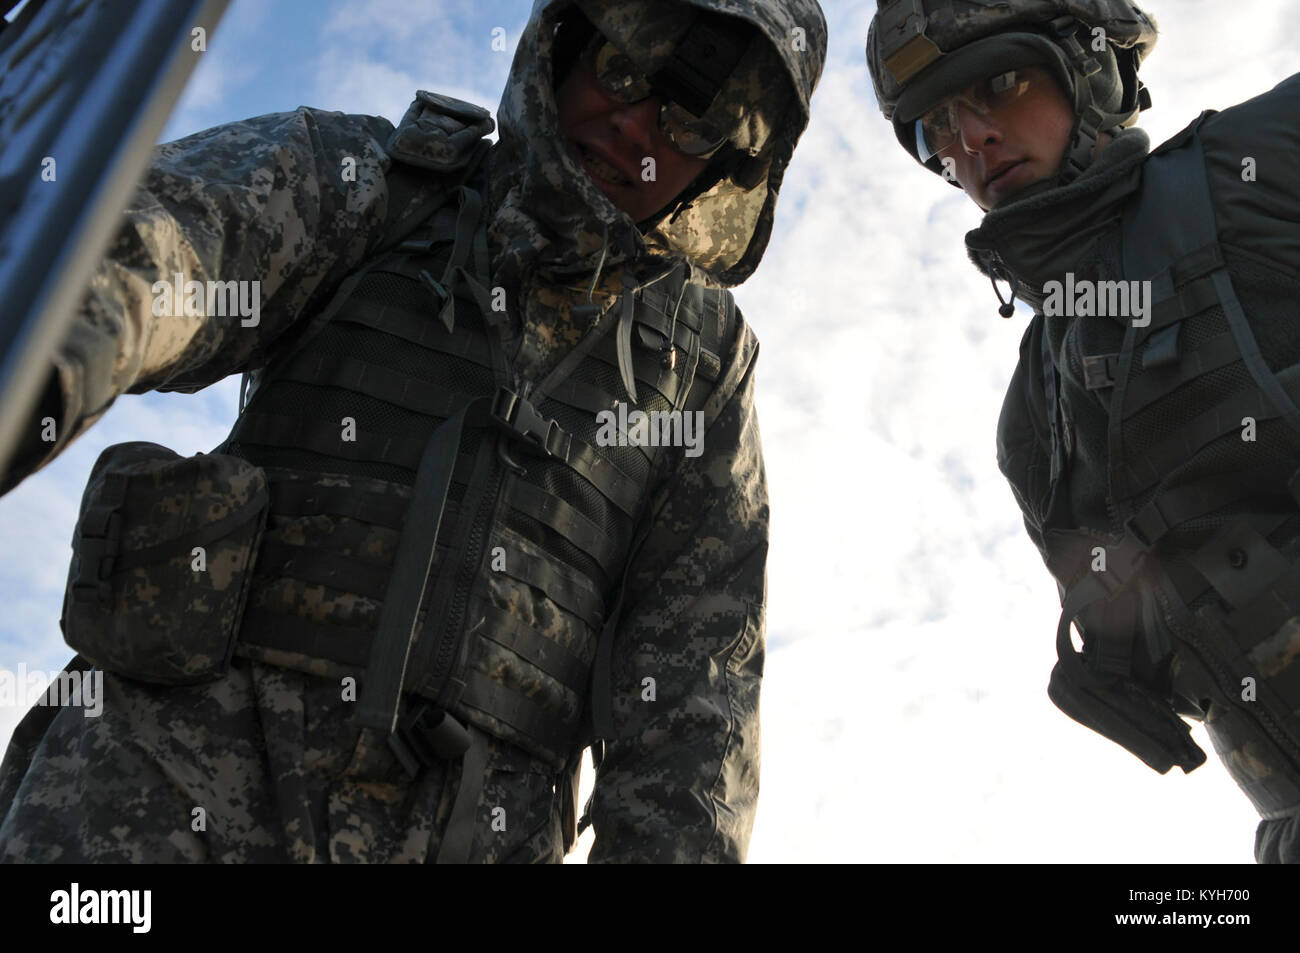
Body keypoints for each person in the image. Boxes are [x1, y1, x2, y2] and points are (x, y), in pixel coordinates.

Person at [0, 0, 827, 863]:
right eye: (620, 70)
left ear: (724, 168)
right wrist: (50, 347)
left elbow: (697, 707)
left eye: (689, 125)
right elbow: (166, 246)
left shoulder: (701, 367)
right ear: (564, 44)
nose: (635, 130)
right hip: (158, 800)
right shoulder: (372, 181)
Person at [867, 0, 1300, 862]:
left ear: (1090, 72)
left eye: (1000, 83)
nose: (968, 140)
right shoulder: (1032, 426)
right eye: (935, 127)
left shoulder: (1258, 161)